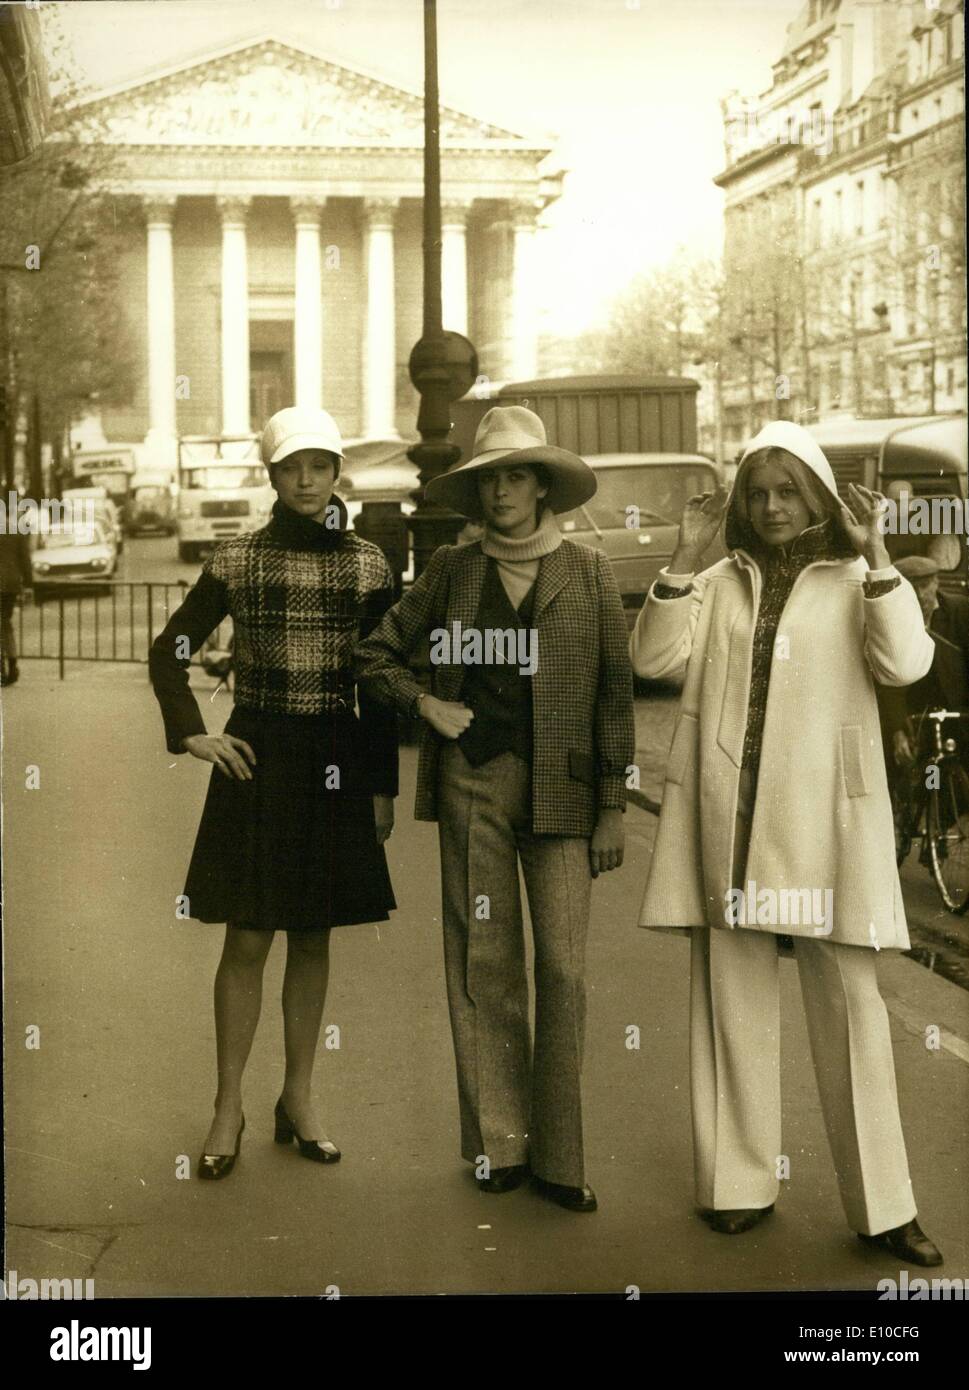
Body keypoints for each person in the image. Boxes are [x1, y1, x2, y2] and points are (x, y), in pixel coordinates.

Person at [629, 418, 944, 1266]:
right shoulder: (719, 580)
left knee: (850, 1010)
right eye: (756, 494)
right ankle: (736, 1185)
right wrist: (682, 560)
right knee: (730, 1000)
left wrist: (878, 557)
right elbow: (653, 661)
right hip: (728, 820)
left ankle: (883, 1208)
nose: (770, 508)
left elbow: (906, 664)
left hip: (825, 825)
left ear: (815, 497)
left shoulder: (853, 578)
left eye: (787, 492)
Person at [355, 405, 634, 1212]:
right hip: (474, 784)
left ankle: (561, 1158)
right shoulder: (452, 569)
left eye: (517, 475)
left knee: (564, 968)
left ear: (542, 486)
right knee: (484, 966)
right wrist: (425, 707)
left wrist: (612, 805)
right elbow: (374, 655)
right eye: (489, 479)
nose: (502, 491)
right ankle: (499, 1147)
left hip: (566, 797)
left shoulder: (586, 570)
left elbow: (615, 697)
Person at [149, 407, 398, 1180]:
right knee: (249, 936)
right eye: (291, 468)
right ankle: (229, 1105)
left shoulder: (367, 565)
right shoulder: (237, 559)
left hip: (332, 752)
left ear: (335, 475)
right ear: (273, 475)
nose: (305, 480)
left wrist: (380, 785)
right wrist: (193, 732)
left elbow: (382, 681)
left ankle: (299, 1097)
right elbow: (171, 649)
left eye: (319, 466)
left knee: (314, 933)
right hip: (257, 756)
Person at [877, 554, 969, 781]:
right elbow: (890, 680)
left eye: (926, 586)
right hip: (918, 719)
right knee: (928, 783)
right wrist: (898, 730)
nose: (919, 595)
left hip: (960, 712)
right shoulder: (894, 619)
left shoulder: (960, 610)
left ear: (937, 582)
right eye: (911, 588)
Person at [0, 525, 33, 686]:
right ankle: (12, 665)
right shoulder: (15, 529)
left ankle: (3, 668)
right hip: (10, 584)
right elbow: (25, 559)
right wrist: (28, 584)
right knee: (5, 623)